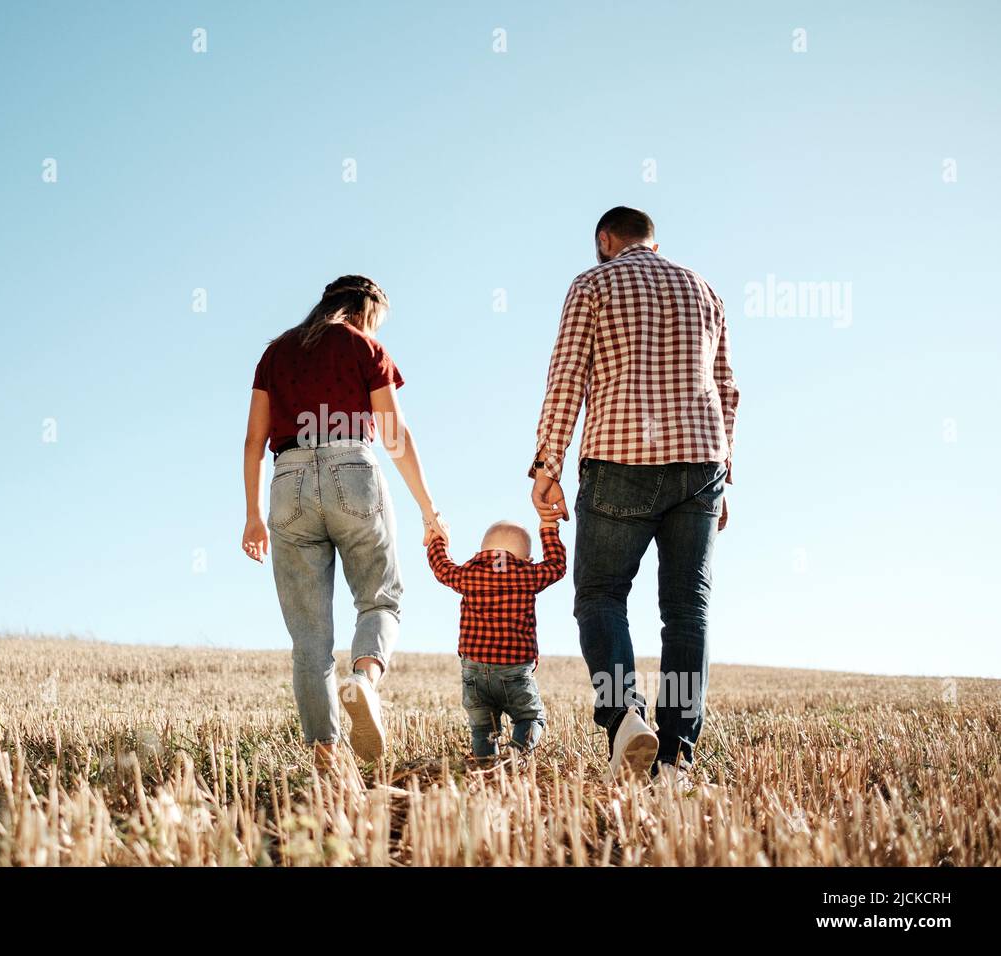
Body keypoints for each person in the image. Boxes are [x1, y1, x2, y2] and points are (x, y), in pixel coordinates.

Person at [529, 207, 740, 787]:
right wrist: (726, 476)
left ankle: (625, 719)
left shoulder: (593, 283)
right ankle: (675, 760)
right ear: (653, 238)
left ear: (605, 240)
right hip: (700, 462)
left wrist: (547, 464)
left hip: (620, 456)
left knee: (599, 596)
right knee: (686, 611)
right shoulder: (703, 288)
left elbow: (567, 376)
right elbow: (726, 387)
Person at [242, 275, 449, 766]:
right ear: (365, 310)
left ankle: (327, 761)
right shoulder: (363, 346)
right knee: (380, 598)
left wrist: (252, 516)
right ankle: (363, 681)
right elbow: (395, 435)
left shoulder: (276, 353)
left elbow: (254, 441)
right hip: (351, 467)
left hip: (286, 479)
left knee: (309, 638)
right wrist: (429, 509)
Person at [426, 516, 566, 759]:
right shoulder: (526, 575)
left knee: (482, 729)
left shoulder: (468, 575)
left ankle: (486, 768)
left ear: (482, 552)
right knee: (531, 717)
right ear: (526, 560)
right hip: (514, 672)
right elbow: (556, 565)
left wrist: (438, 539)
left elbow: (442, 568)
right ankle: (515, 758)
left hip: (474, 673)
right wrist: (549, 529)